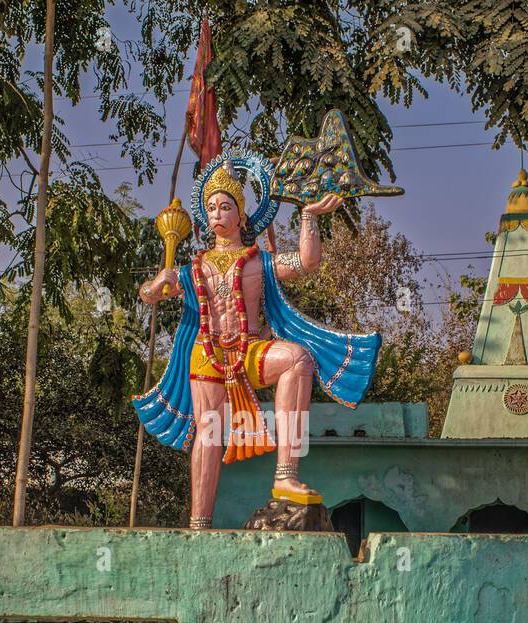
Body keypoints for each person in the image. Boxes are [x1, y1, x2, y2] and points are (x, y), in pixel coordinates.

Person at [134, 154, 380, 528]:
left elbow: (307, 263)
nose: (217, 214)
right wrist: (155, 286)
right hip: (207, 355)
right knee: (209, 433)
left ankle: (286, 475)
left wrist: (309, 217)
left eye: (225, 206)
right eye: (211, 207)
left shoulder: (258, 262)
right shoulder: (192, 269)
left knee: (298, 359)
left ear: (241, 215)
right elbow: (148, 295)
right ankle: (199, 524)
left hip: (249, 350)